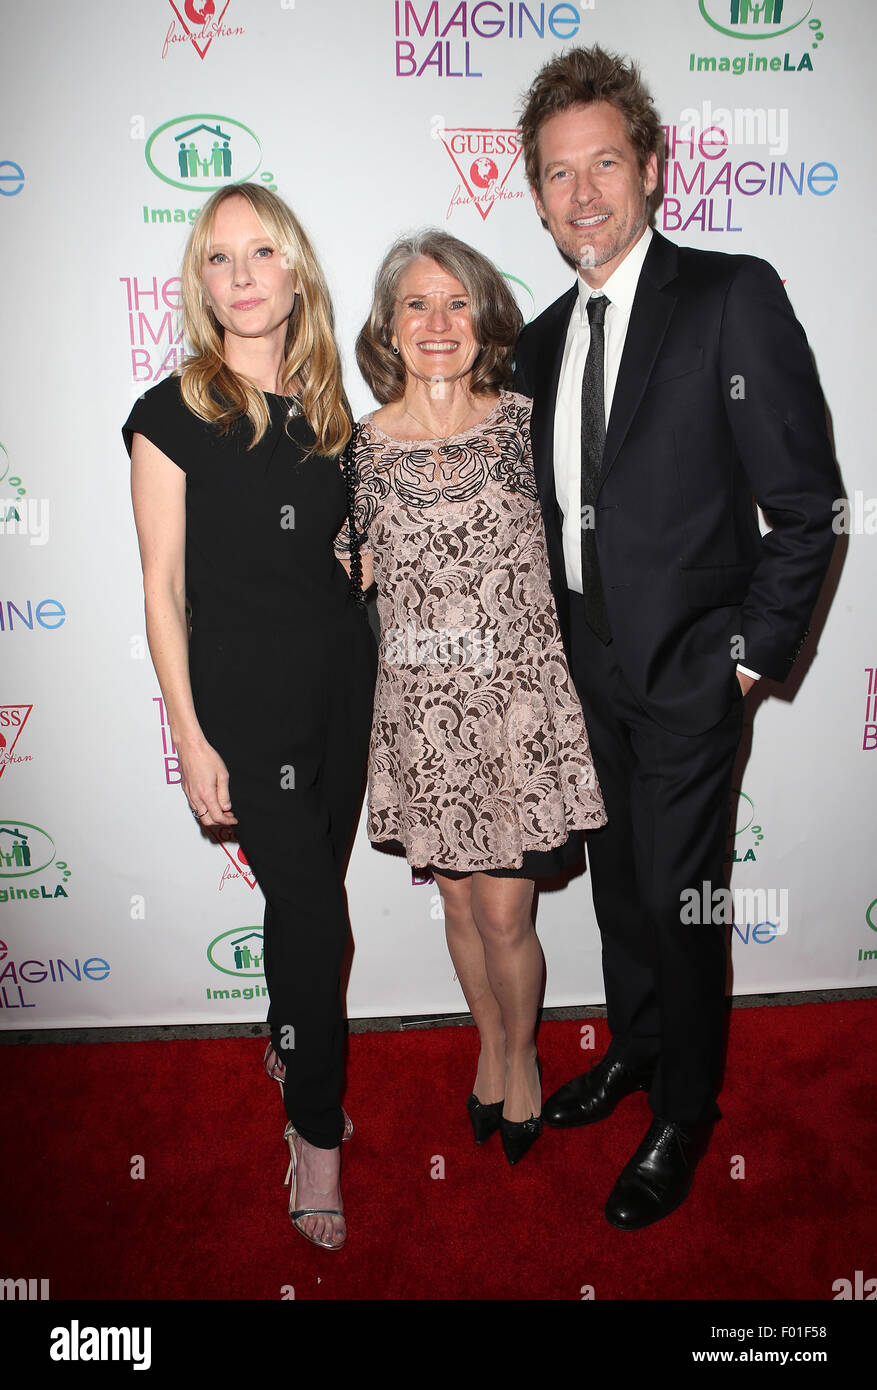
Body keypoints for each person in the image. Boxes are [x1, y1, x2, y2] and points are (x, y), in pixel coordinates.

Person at [514, 45, 840, 1228]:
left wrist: (748, 659)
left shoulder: (727, 295)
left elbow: (808, 506)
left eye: (606, 162)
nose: (584, 193)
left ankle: (686, 1110)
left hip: (694, 675)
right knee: (620, 894)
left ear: (653, 169)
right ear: (538, 195)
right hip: (583, 678)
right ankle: (639, 1052)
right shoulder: (542, 342)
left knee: (684, 899)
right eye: (559, 173)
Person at [124, 183, 376, 1250]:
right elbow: (161, 586)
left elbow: (340, 560)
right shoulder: (171, 411)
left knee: (306, 898)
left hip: (342, 690)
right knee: (321, 921)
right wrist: (188, 733)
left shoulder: (334, 419)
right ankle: (313, 1131)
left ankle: (288, 1027)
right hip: (247, 710)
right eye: (220, 257)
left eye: (261, 251)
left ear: (294, 272)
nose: (242, 274)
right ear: (203, 283)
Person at [337, 230, 605, 1165]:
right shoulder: (359, 450)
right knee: (456, 911)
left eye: (455, 303)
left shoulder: (527, 425)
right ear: (387, 327)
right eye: (416, 304)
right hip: (420, 715)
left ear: (484, 318)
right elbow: (339, 570)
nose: (437, 322)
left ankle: (522, 1056)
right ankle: (489, 1047)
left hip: (517, 714)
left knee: (505, 914)